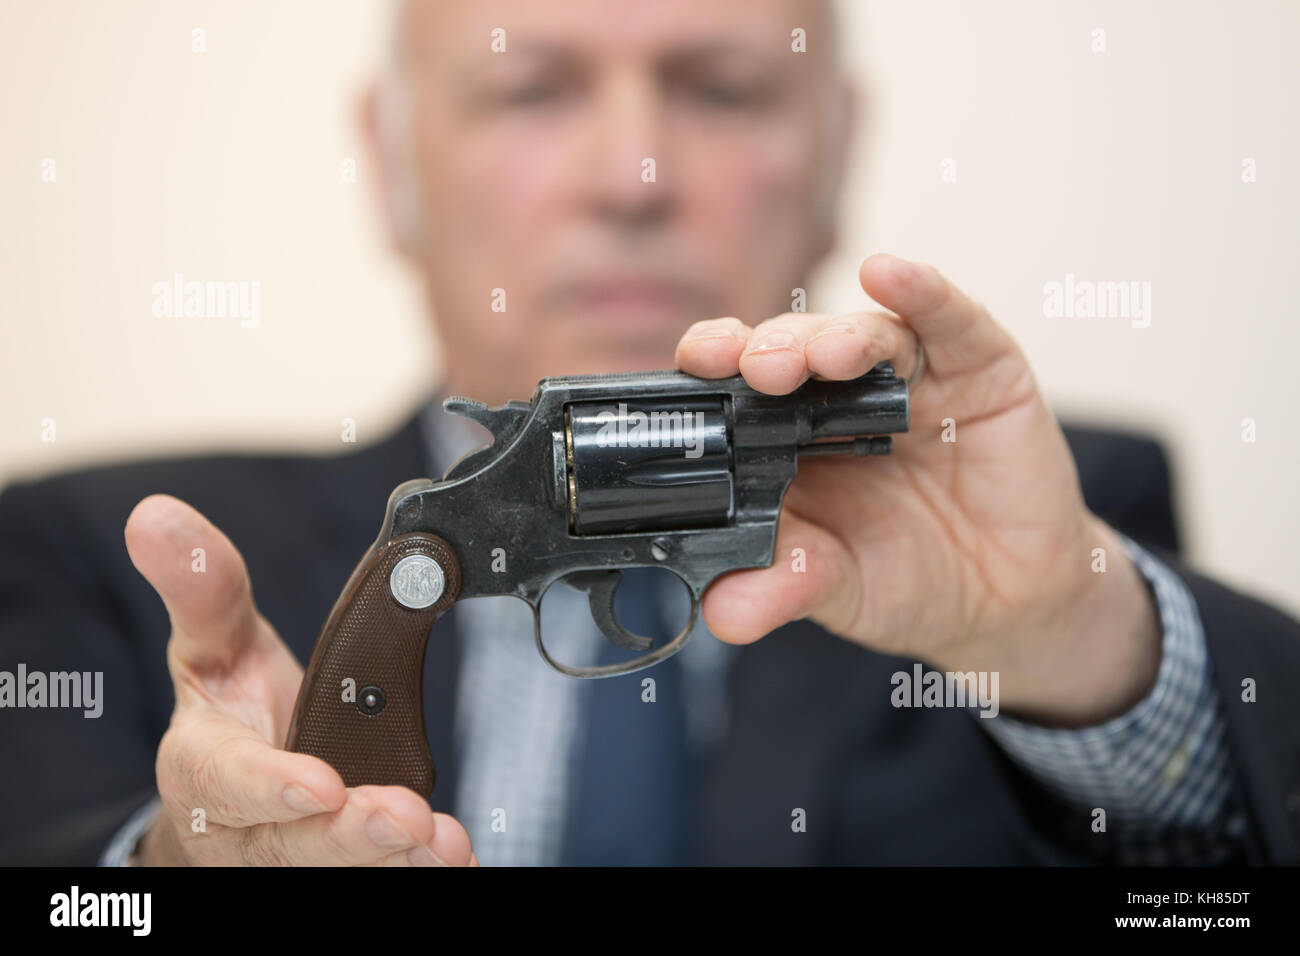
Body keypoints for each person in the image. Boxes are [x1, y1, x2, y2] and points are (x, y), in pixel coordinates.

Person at [1, 0, 1297, 866]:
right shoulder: (89, 558)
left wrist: (1067, 640)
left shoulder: (1041, 517)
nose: (634, 177)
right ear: (391, 164)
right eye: (533, 91)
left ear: (836, 153)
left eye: (722, 90)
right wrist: (177, 864)